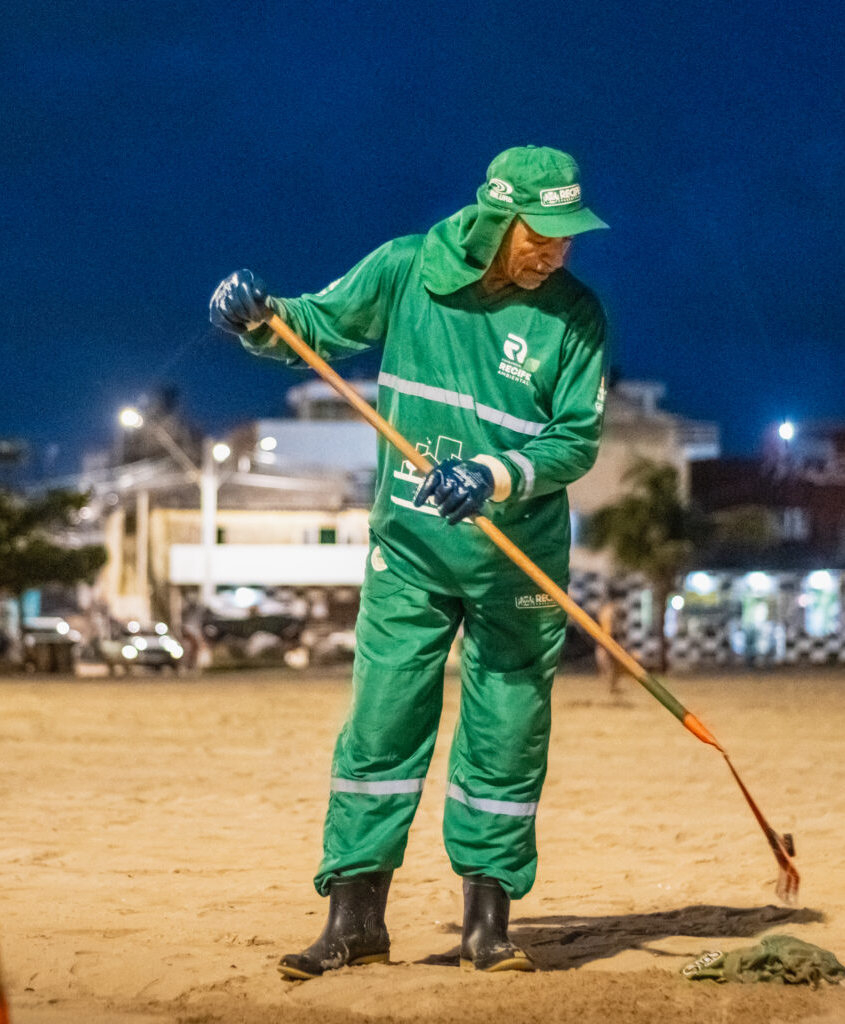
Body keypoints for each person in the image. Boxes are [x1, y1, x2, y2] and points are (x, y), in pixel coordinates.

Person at [209, 145, 610, 977]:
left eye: (569, 237)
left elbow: (575, 440)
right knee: (382, 723)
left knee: (507, 730)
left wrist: (495, 474)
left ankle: (487, 924)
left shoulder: (576, 315)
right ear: (500, 216)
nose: (558, 252)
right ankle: (355, 920)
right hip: (412, 552)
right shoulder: (406, 268)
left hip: (518, 561)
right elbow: (317, 325)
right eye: (545, 233)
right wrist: (259, 315)